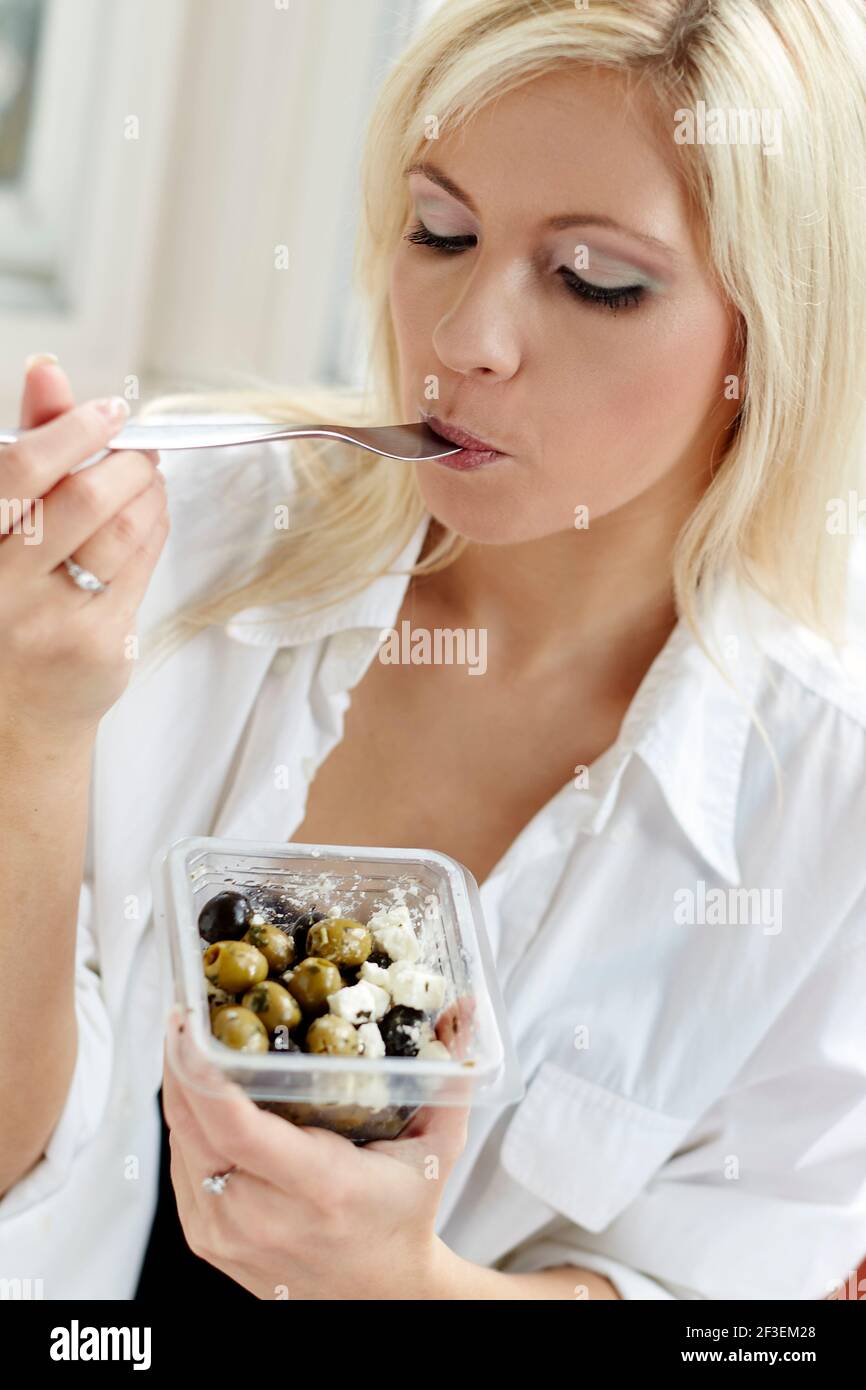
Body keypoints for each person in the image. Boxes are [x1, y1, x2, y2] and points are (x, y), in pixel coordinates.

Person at [2, 0, 866, 1300]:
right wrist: (30, 729)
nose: (464, 340)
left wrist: (404, 1283)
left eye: (594, 281)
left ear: (766, 338)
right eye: (437, 231)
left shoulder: (825, 799)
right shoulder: (165, 555)